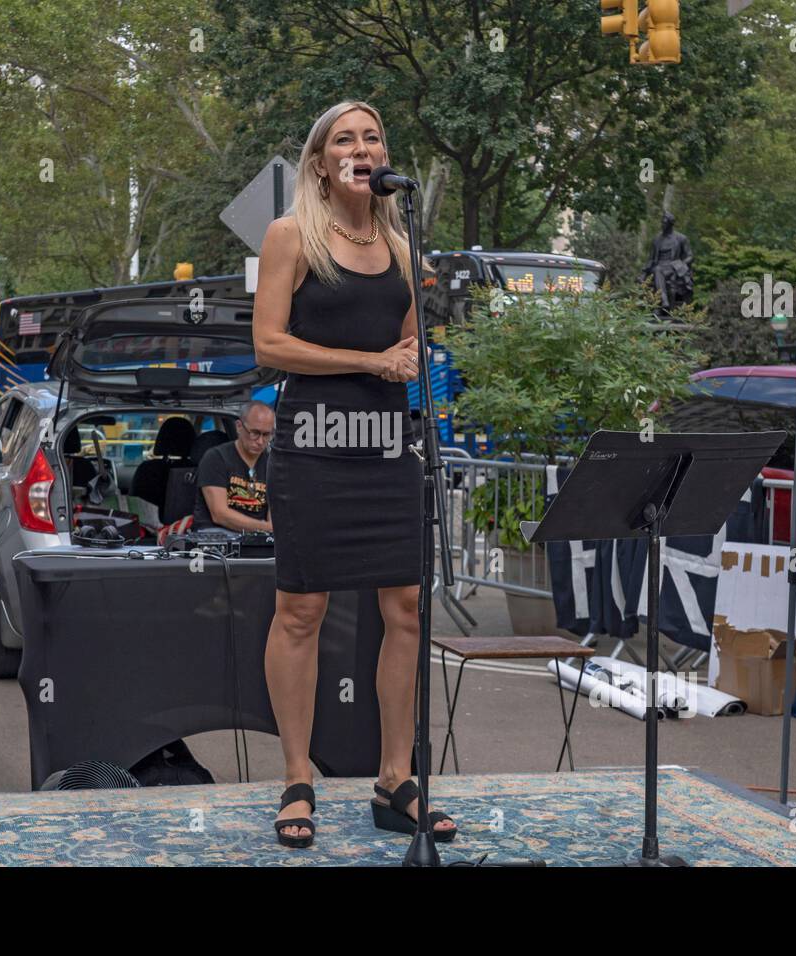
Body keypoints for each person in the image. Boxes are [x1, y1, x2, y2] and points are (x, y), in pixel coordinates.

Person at [252, 100, 456, 848]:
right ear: (321, 162)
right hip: (312, 442)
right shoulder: (292, 237)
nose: (362, 147)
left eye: (372, 137)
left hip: (385, 445)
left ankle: (395, 777)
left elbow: (408, 344)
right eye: (346, 139)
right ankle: (298, 779)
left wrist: (405, 355)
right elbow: (270, 344)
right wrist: (370, 362)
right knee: (301, 612)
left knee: (405, 608)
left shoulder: (405, 250)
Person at [192, 401, 274, 532]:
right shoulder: (215, 458)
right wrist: (265, 528)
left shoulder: (272, 464)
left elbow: (275, 514)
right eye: (254, 433)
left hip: (258, 537)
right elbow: (220, 515)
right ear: (239, 427)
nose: (260, 441)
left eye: (266, 435)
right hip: (216, 534)